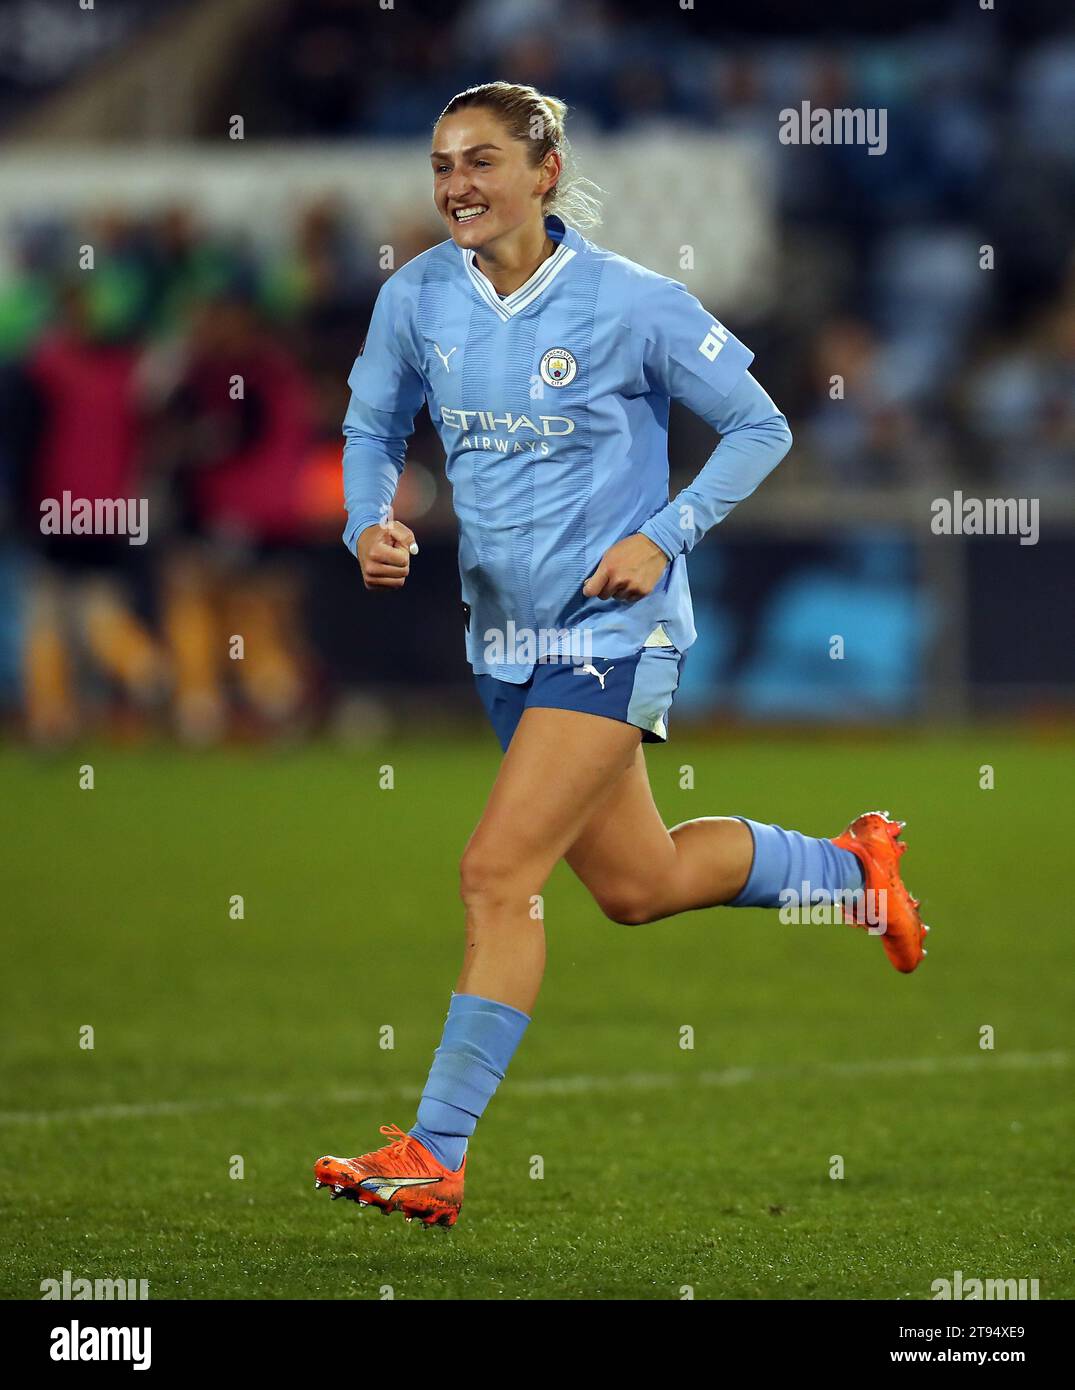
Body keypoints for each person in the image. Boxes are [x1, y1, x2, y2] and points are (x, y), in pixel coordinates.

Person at [314, 82, 928, 1229]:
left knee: (498, 874)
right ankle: (852, 874)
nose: (456, 185)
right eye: (443, 163)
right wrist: (367, 521)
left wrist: (664, 534)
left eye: (482, 161)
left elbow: (762, 424)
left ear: (545, 172)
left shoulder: (630, 302)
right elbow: (369, 425)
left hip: (611, 632)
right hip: (502, 638)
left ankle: (433, 1152)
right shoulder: (415, 300)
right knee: (636, 887)